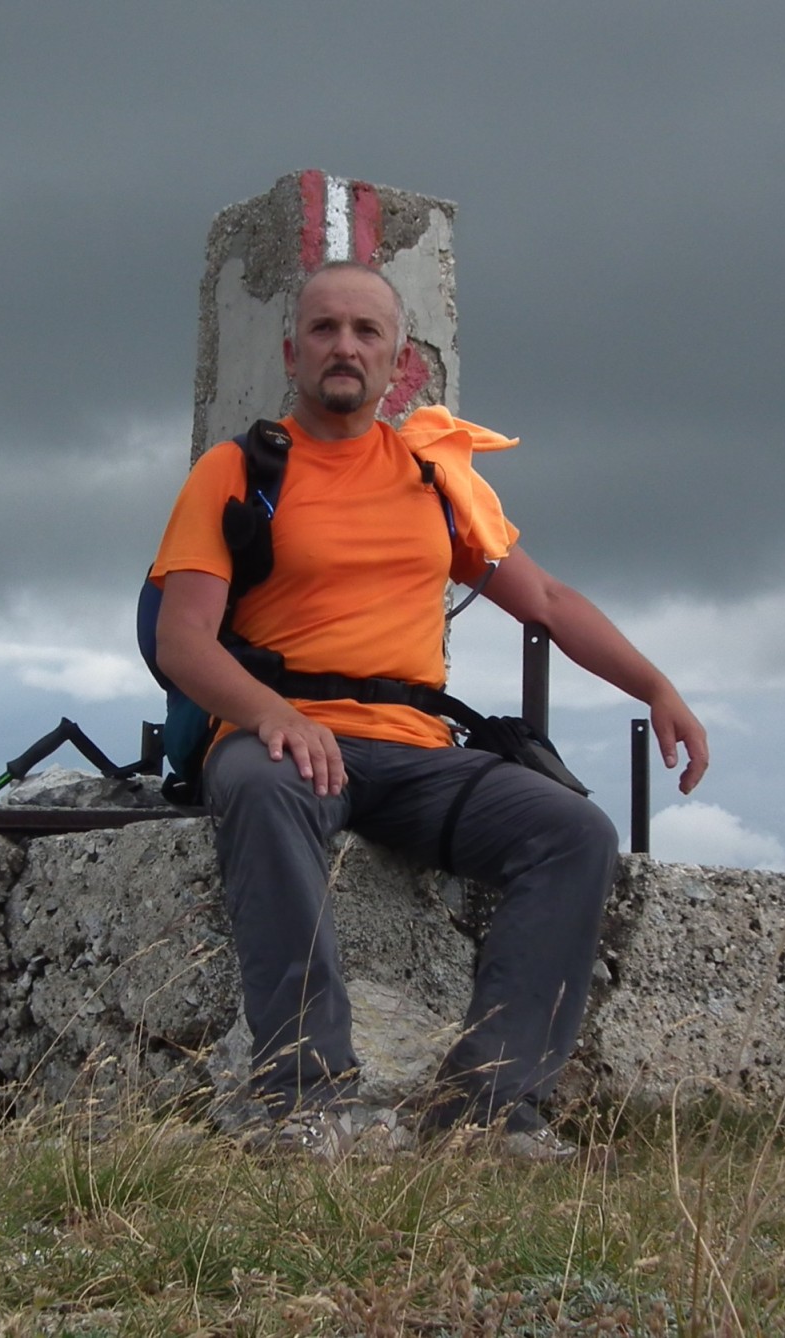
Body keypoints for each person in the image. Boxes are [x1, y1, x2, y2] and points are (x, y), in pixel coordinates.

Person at [150, 260, 708, 1159]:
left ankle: (485, 1112)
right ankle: (304, 1102)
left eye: (366, 331)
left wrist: (656, 688)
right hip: (286, 737)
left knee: (574, 833)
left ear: (398, 361)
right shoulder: (238, 470)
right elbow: (183, 642)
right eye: (325, 329)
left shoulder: (434, 477)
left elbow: (548, 601)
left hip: (417, 750)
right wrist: (271, 716)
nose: (345, 346)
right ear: (292, 353)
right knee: (258, 786)